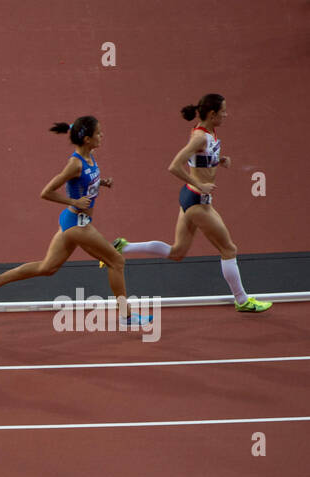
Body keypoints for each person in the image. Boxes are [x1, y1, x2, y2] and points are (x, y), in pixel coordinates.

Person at [0, 116, 151, 328]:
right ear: (87, 139)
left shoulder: (90, 156)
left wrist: (101, 183)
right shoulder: (74, 163)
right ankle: (126, 316)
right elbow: (46, 192)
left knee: (47, 268)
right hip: (77, 224)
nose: (101, 136)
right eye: (98, 133)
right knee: (116, 261)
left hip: (74, 222)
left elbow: (87, 181)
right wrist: (74, 200)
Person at [107, 94, 271, 313]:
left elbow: (200, 158)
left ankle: (124, 247)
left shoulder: (208, 132)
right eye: (223, 111)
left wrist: (219, 161)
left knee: (177, 252)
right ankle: (242, 300)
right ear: (212, 114)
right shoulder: (199, 137)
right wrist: (200, 185)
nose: (226, 114)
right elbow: (174, 166)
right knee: (228, 248)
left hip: (189, 198)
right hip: (198, 202)